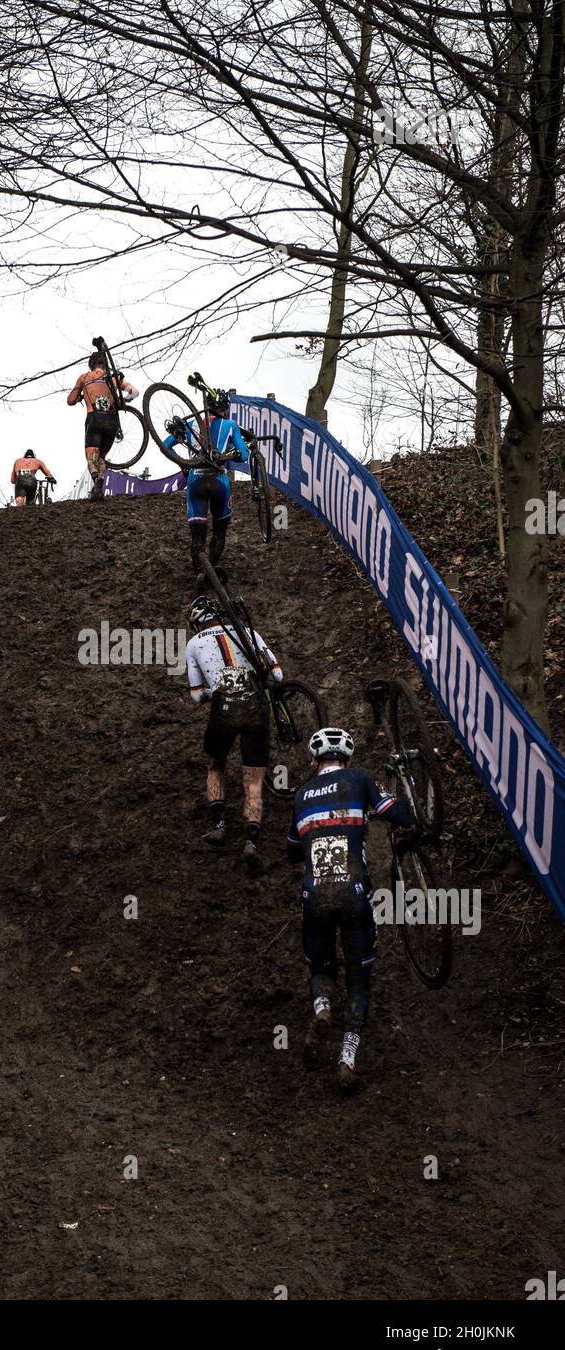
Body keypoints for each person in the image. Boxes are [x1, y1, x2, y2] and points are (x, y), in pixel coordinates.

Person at [286, 727, 415, 1092]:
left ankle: (322, 1007)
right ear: (348, 758)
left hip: (315, 896)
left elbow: (292, 851)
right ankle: (347, 1058)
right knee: (359, 982)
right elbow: (398, 815)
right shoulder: (360, 778)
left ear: (314, 761)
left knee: (321, 967)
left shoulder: (300, 795)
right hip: (355, 893)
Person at [185, 594, 282, 873]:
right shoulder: (248, 632)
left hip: (224, 711)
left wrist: (211, 690)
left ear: (197, 624)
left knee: (214, 764)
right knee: (254, 778)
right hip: (255, 709)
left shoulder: (194, 644)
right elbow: (277, 676)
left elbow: (195, 697)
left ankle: (218, 824)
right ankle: (251, 841)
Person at [165, 387, 249, 573]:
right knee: (219, 532)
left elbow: (166, 445)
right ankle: (209, 572)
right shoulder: (230, 425)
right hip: (219, 480)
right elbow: (244, 455)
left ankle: (200, 574)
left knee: (197, 538)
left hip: (195, 480)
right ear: (225, 409)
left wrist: (183, 465)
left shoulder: (190, 425)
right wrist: (229, 455)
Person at [67, 350, 138, 499]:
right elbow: (134, 392)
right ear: (105, 365)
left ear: (91, 365)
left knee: (92, 457)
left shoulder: (84, 377)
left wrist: (80, 396)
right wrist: (124, 400)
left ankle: (96, 478)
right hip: (111, 420)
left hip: (94, 419)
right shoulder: (112, 378)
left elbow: (70, 400)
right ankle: (98, 487)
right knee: (102, 458)